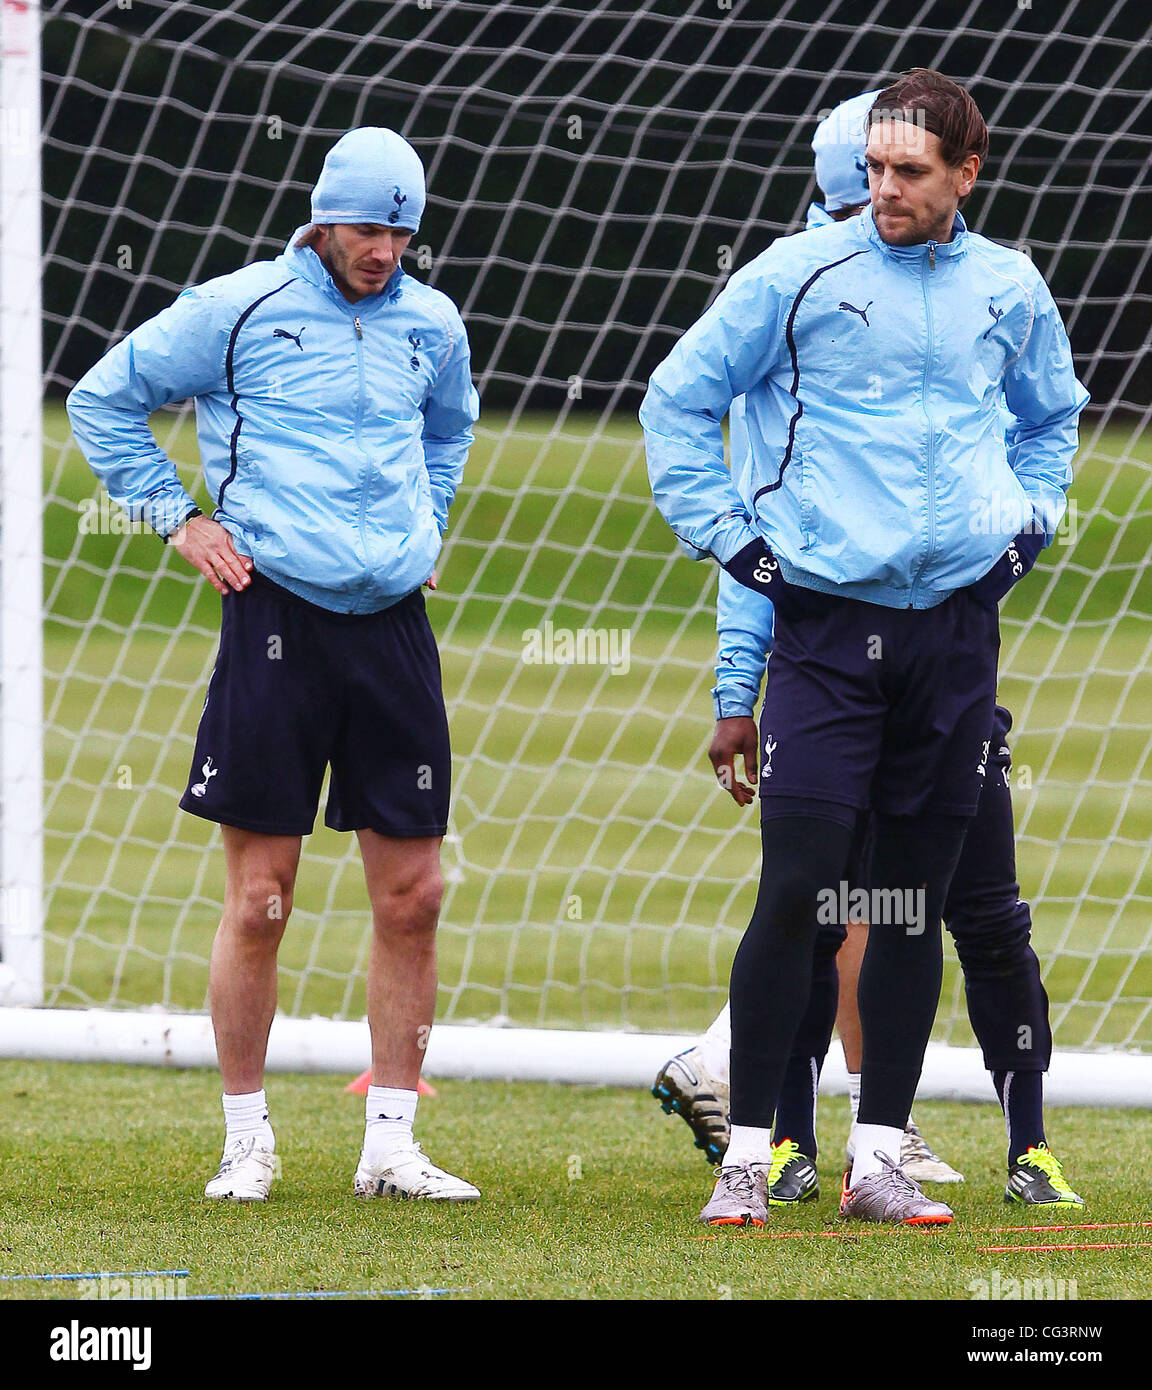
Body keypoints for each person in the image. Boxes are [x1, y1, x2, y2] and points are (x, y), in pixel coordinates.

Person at [641, 70, 1088, 1227]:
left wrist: (1023, 533)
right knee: (796, 892)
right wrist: (739, 551)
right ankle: (751, 1153)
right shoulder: (795, 275)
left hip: (955, 632)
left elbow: (1051, 420)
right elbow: (677, 403)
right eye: (874, 170)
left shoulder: (1011, 286)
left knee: (905, 904)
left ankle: (878, 1156)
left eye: (908, 173)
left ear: (965, 176)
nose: (882, 192)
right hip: (827, 634)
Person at [67, 128, 481, 1204]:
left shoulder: (433, 324)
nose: (383, 249)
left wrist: (427, 524)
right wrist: (181, 521)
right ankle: (246, 1139)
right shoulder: (241, 306)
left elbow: (449, 431)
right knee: (261, 897)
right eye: (366, 227)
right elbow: (103, 400)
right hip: (275, 619)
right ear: (321, 216)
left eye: (401, 229)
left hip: (393, 629)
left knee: (415, 895)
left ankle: (391, 1144)